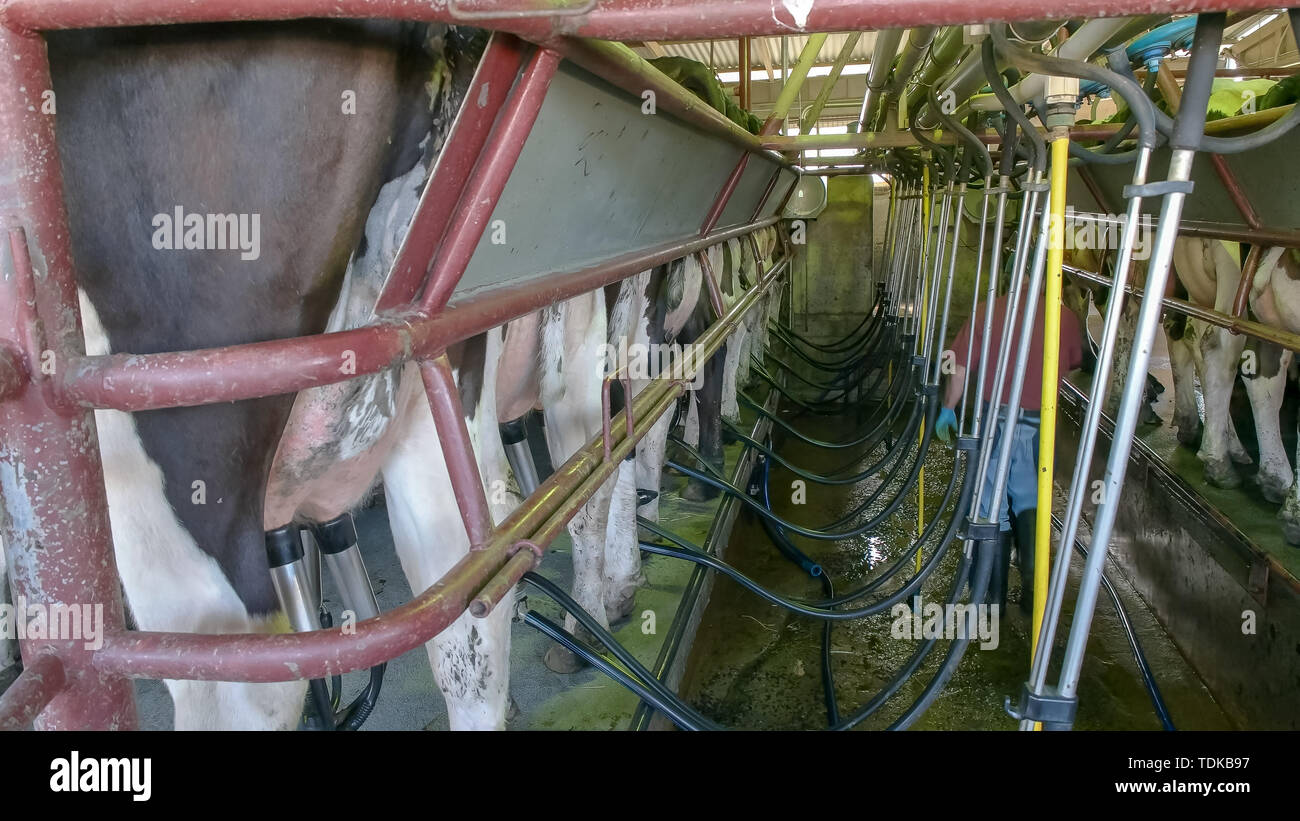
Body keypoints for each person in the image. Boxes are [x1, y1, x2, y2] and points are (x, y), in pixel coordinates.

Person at [934, 290, 1085, 614]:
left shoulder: (987, 312)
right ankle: (1033, 595)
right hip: (1039, 425)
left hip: (995, 421)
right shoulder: (1066, 318)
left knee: (991, 507)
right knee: (1031, 500)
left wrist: (949, 407)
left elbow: (958, 368)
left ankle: (993, 600)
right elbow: (1072, 370)